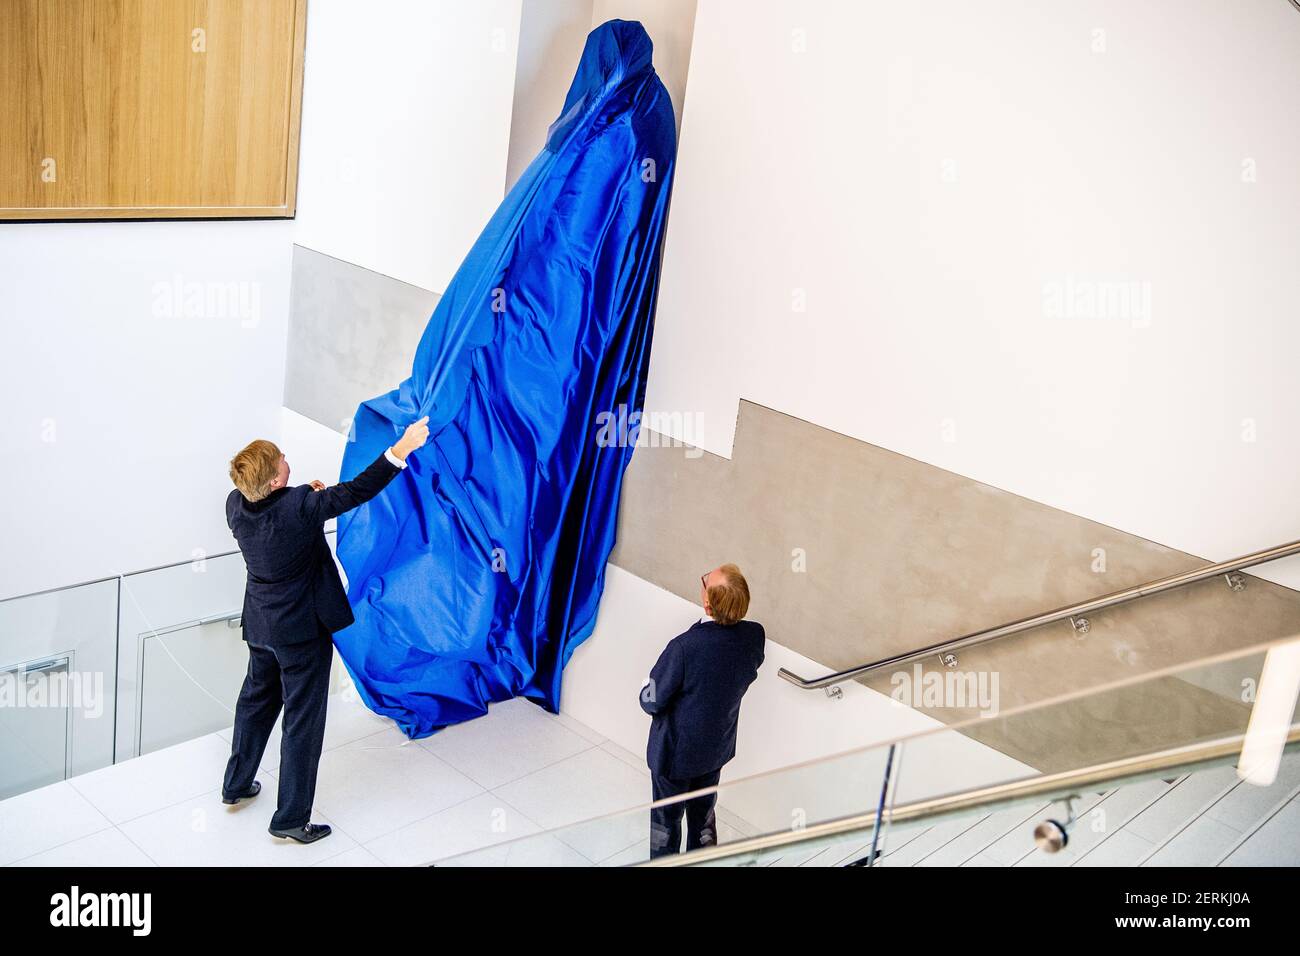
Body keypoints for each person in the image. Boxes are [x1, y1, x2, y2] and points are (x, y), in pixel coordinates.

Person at [220, 418, 429, 843]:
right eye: (281, 458)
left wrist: (306, 502)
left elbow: (280, 518)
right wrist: (401, 449)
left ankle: (236, 784)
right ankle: (290, 819)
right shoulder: (299, 506)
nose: (286, 458)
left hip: (260, 626)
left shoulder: (236, 505)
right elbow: (357, 490)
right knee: (302, 722)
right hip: (300, 634)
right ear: (276, 477)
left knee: (254, 704)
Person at [639, 563, 765, 858]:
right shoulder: (754, 636)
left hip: (673, 756)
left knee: (665, 827)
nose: (704, 580)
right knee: (704, 821)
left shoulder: (685, 647)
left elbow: (651, 701)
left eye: (706, 581)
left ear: (707, 602)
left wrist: (647, 684)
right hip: (714, 751)